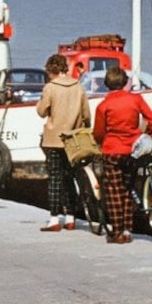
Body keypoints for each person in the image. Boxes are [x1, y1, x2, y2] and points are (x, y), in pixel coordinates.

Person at [92, 64, 152, 244]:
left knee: (114, 191)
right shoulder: (135, 100)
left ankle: (117, 231)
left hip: (112, 150)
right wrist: (148, 135)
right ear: (124, 82)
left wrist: (101, 143)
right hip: (133, 150)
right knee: (128, 189)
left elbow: (98, 132)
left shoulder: (103, 106)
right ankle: (128, 230)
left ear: (107, 84)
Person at [35, 53, 90, 231]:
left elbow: (41, 112)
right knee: (70, 178)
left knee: (55, 180)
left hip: (53, 140)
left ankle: (53, 220)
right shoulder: (78, 86)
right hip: (73, 140)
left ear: (51, 69)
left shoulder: (50, 88)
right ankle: (71, 217)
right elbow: (86, 114)